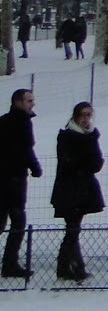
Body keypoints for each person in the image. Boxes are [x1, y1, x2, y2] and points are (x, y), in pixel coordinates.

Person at [51, 101, 104, 282]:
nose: (85, 119)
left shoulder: (90, 136)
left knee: (73, 229)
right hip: (69, 190)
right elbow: (69, 164)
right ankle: (74, 267)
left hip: (83, 189)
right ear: (75, 116)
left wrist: (86, 161)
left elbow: (96, 163)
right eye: (82, 115)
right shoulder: (66, 137)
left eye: (88, 115)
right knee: (72, 229)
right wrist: (85, 163)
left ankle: (65, 267)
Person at [0, 90, 43, 278]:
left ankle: (10, 263)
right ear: (18, 102)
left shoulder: (22, 122)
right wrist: (33, 167)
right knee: (15, 220)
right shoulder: (12, 123)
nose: (32, 103)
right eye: (29, 100)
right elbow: (24, 149)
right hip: (9, 179)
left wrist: (33, 167)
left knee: (14, 221)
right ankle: (10, 264)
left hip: (15, 177)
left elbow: (26, 149)